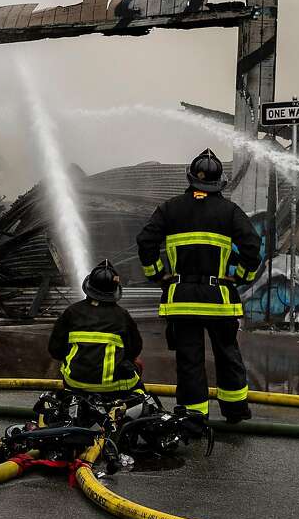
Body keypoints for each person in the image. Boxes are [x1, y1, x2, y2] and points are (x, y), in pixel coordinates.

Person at [136, 148, 260, 423]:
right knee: (227, 353)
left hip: (182, 299)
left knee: (189, 359)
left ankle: (194, 416)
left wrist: (158, 275)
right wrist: (240, 276)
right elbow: (252, 246)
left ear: (190, 178)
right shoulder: (230, 211)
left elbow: (145, 241)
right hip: (219, 299)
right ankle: (235, 410)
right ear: (220, 183)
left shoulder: (169, 208)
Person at [48, 259, 143, 395]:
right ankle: (135, 403)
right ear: (114, 291)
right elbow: (134, 350)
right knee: (138, 370)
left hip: (75, 383)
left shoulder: (71, 312)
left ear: (88, 286)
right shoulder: (122, 316)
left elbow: (55, 350)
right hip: (112, 386)